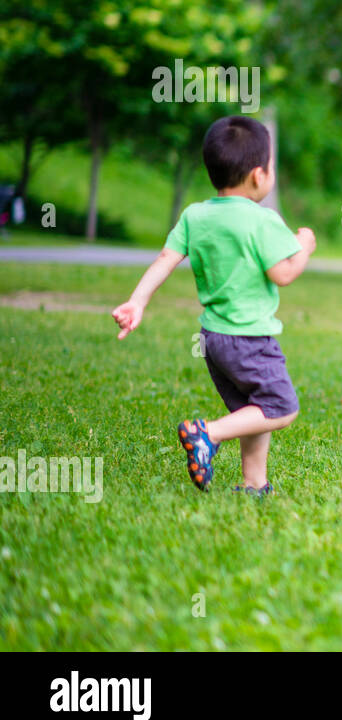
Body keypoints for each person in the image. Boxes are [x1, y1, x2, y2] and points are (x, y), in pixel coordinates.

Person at [112, 116, 315, 496]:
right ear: (259, 175)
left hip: (214, 340)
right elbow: (283, 273)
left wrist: (137, 301)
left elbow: (164, 259)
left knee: (252, 410)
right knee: (281, 407)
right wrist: (305, 245)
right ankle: (207, 433)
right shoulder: (262, 220)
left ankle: (254, 483)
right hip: (250, 339)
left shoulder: (195, 216)